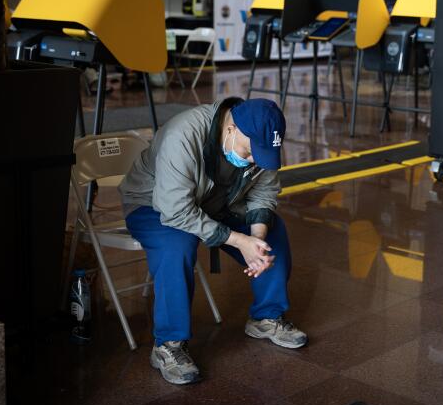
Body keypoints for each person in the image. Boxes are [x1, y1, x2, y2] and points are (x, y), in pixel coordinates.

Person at [119, 97, 306, 385]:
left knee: (273, 234)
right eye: (250, 152)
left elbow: (264, 192)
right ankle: (168, 345)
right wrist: (237, 240)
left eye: (262, 155)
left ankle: (266, 318)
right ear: (230, 129)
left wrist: (255, 239)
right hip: (153, 204)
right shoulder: (182, 135)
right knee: (176, 245)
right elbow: (176, 210)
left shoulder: (261, 140)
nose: (255, 159)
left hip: (217, 203)